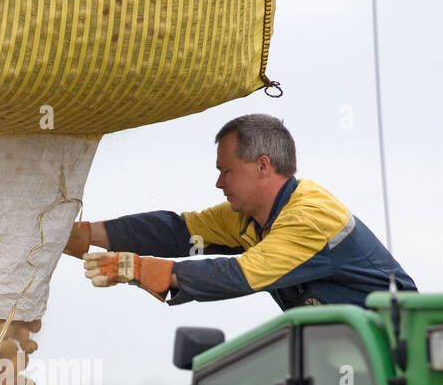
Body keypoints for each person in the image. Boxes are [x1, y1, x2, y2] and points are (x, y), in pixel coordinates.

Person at [64, 114, 417, 308]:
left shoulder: (309, 217)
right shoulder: (246, 217)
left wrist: (154, 270)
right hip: (335, 349)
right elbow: (178, 231)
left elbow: (242, 274)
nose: (219, 183)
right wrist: (88, 233)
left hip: (391, 351)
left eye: (227, 171)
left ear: (263, 166)